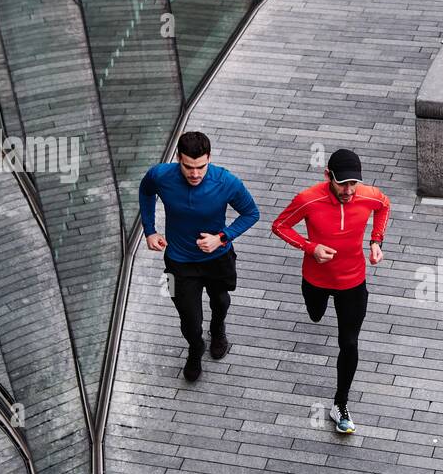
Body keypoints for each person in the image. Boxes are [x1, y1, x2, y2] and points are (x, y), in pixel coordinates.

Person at [272, 149, 390, 434]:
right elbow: (279, 225)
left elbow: (384, 206)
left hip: (353, 281)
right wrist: (310, 248)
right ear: (328, 176)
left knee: (348, 343)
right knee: (315, 315)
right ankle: (316, 309)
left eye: (354, 183)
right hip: (316, 279)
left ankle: (340, 404)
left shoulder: (368, 195)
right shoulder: (308, 199)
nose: (349, 191)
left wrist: (376, 241)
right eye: (342, 184)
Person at [139, 131, 260, 382]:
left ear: (209, 159)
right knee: (189, 318)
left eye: (201, 167)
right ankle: (195, 347)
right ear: (177, 158)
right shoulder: (160, 175)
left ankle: (218, 329)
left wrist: (221, 238)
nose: (195, 174)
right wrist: (149, 230)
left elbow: (251, 213)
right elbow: (146, 191)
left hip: (219, 259)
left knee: (221, 301)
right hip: (178, 262)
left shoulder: (226, 181)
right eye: (188, 167)